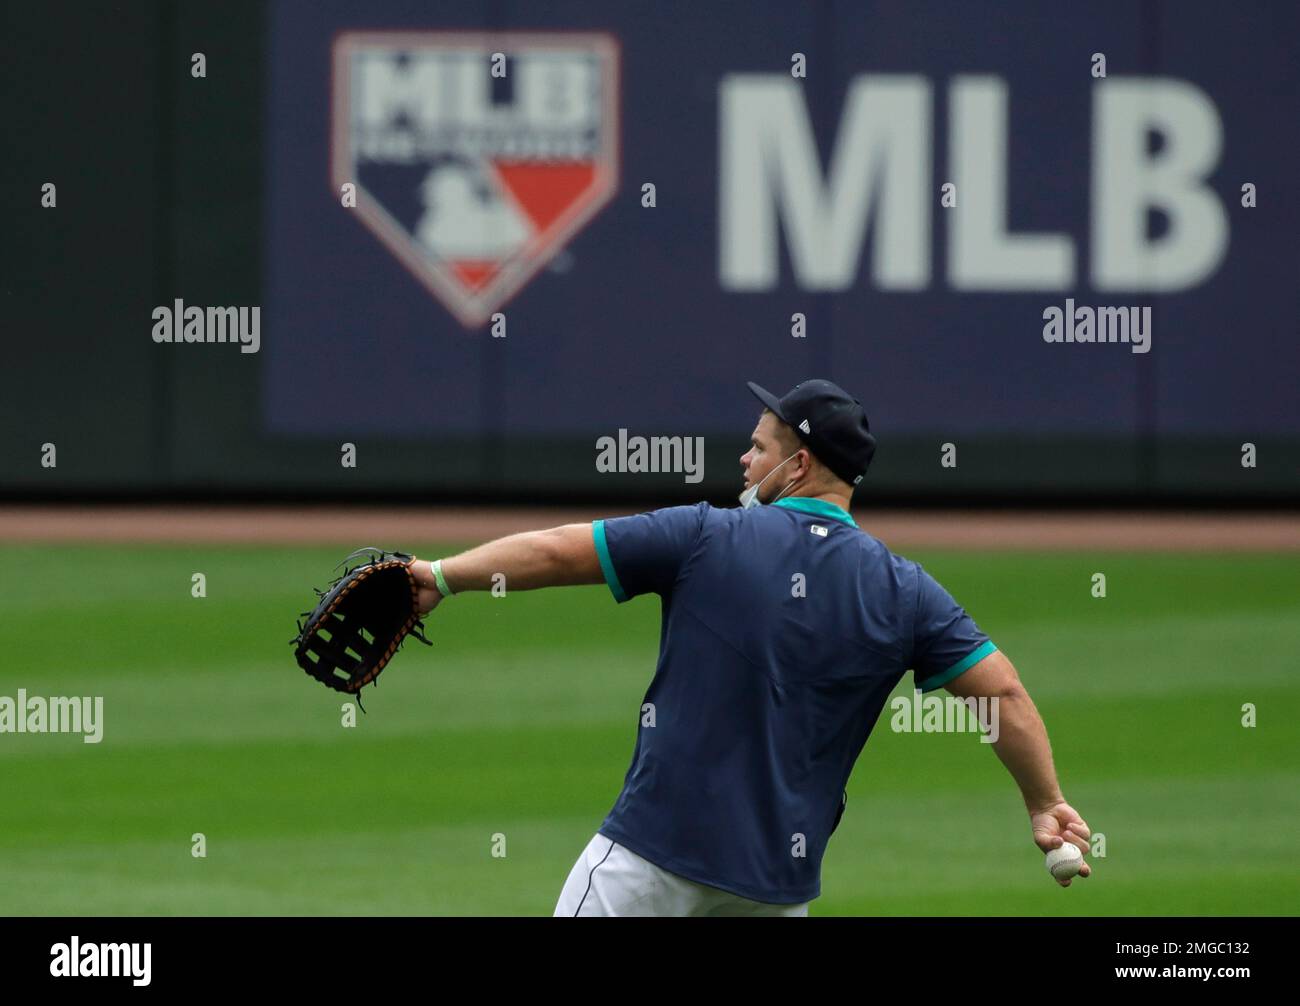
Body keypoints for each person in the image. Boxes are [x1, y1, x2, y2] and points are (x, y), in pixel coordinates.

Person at [409, 379, 1091, 916]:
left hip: (651, 861)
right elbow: (1003, 694)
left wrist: (440, 576)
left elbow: (560, 552)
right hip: (775, 887)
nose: (744, 458)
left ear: (796, 466)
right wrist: (1044, 801)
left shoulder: (707, 535)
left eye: (758, 448)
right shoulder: (905, 591)